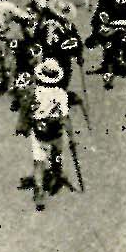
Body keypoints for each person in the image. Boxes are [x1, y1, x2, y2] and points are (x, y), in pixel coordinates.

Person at [26, 59, 79, 211]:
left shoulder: (35, 91)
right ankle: (55, 176)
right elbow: (65, 118)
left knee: (39, 161)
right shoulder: (61, 94)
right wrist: (71, 137)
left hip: (39, 131)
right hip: (55, 131)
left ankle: (39, 190)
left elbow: (29, 111)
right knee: (56, 154)